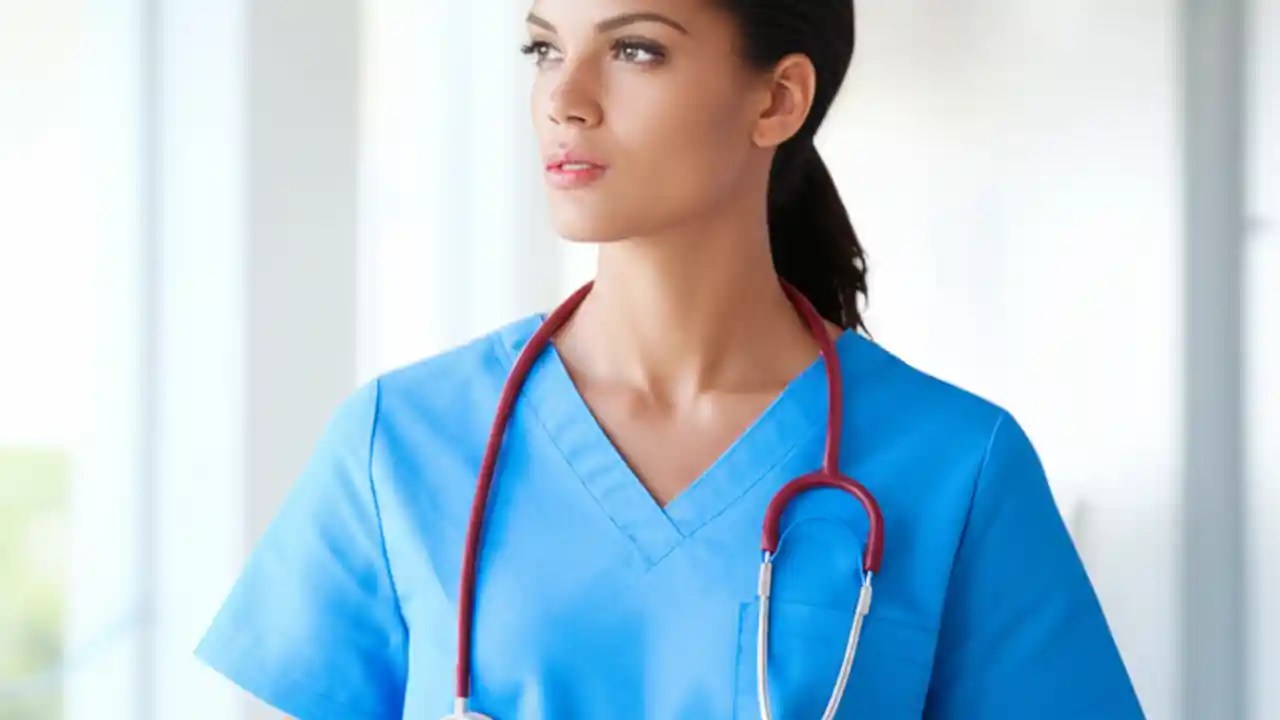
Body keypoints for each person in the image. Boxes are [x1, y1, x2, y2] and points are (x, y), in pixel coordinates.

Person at [195, 0, 1146, 717]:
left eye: (635, 50)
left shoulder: (954, 466)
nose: (564, 100)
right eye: (544, 49)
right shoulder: (402, 440)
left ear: (777, 99)